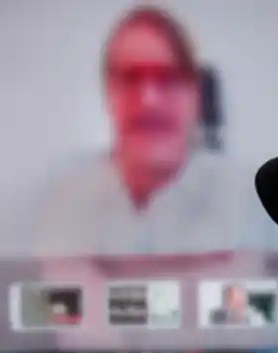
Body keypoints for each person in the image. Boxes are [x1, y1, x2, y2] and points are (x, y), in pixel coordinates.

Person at [38, 7, 256, 257]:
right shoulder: (68, 202)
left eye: (167, 78)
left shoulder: (247, 204)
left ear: (195, 95)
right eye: (131, 78)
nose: (148, 100)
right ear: (108, 94)